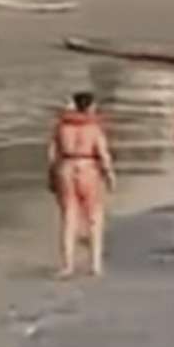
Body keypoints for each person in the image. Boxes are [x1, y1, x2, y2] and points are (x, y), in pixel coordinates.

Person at [47, 92, 115, 278]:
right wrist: (110, 176)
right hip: (88, 168)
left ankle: (67, 266)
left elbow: (52, 155)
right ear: (91, 107)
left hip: (66, 168)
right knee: (94, 218)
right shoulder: (94, 128)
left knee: (69, 218)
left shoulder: (61, 127)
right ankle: (95, 265)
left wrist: (51, 177)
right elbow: (103, 154)